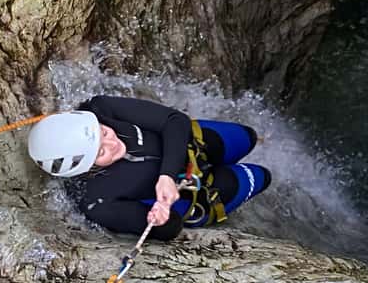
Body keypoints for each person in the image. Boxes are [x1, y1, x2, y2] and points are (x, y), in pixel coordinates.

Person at [27, 95, 272, 241]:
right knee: (263, 177)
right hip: (198, 195)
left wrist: (166, 174)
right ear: (86, 168)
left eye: (104, 132)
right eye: (101, 152)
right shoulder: (98, 202)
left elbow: (174, 120)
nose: (114, 143)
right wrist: (160, 220)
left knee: (249, 136)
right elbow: (172, 228)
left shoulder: (100, 110)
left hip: (194, 143)